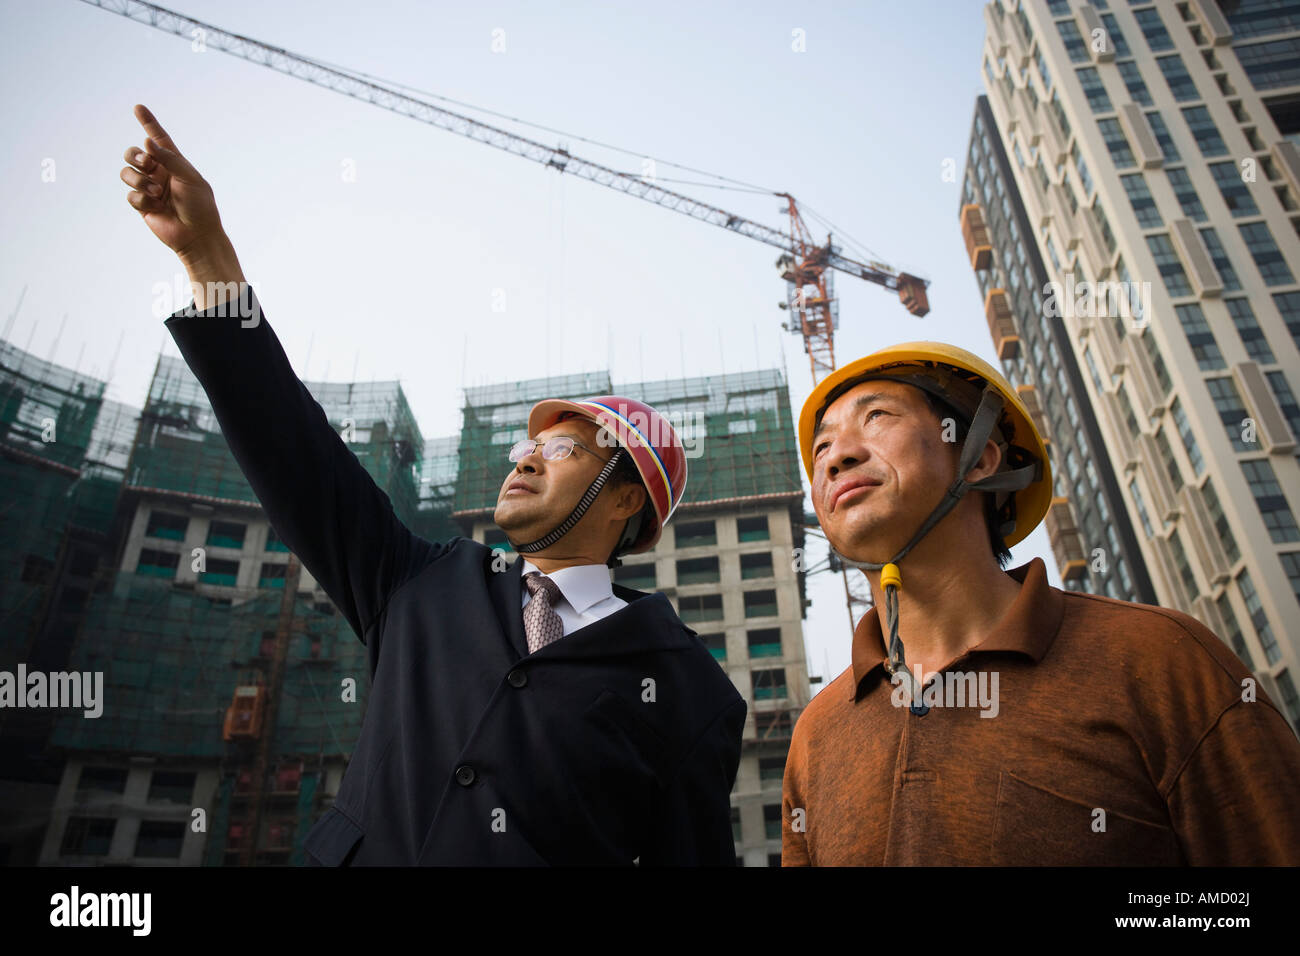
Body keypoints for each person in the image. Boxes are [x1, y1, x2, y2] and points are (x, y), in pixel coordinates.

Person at [121, 104, 745, 865]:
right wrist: (208, 258)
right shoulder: (420, 583)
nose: (525, 459)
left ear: (626, 499)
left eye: (562, 449)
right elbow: (293, 448)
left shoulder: (690, 690)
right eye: (528, 445)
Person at [782, 342, 1300, 865]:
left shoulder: (1158, 659)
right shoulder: (815, 735)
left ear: (980, 458)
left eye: (876, 417)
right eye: (821, 448)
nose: (837, 457)